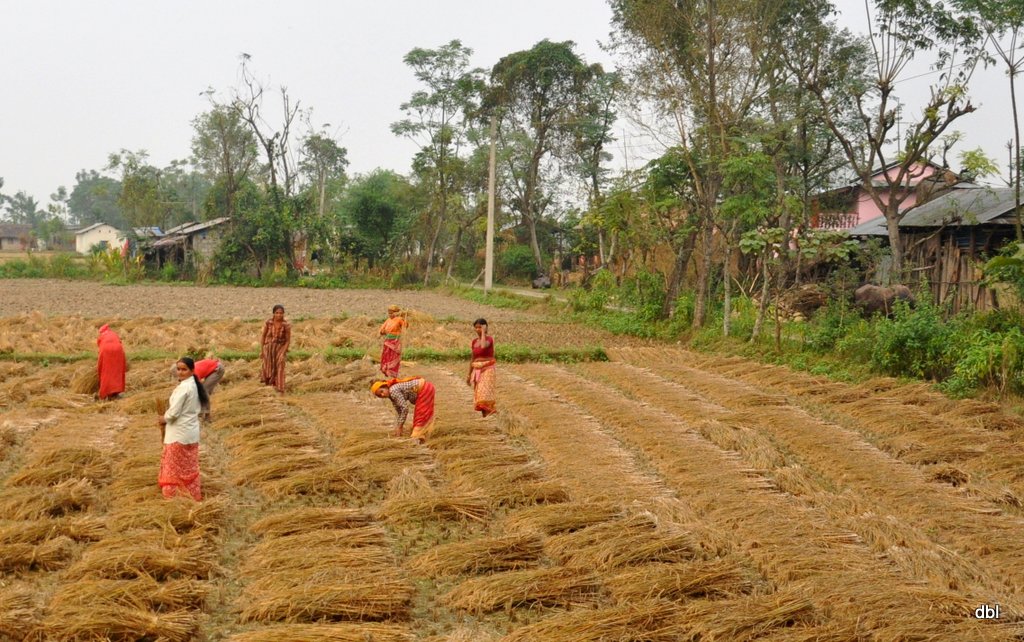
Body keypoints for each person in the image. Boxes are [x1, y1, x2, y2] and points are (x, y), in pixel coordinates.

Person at [157, 357, 207, 501]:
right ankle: (191, 495)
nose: (180, 372)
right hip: (191, 434)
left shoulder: (185, 388)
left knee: (174, 468)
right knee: (188, 467)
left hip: (178, 435)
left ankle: (174, 497)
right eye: (178, 369)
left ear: (192, 370)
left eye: (184, 369)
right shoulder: (193, 385)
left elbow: (173, 413)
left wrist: (163, 418)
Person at [371, 376, 435, 443]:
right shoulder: (392, 396)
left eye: (382, 391)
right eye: (380, 395)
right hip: (426, 388)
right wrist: (398, 426)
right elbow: (399, 412)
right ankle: (423, 435)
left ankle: (416, 438)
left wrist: (400, 426)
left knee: (420, 416)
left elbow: (404, 408)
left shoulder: (393, 391)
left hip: (425, 389)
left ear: (386, 387)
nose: (383, 394)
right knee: (423, 415)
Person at [466, 318, 497, 417]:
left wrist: (483, 332)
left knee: (485, 395)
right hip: (477, 370)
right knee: (479, 396)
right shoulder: (474, 341)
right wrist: (469, 374)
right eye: (476, 327)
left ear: (485, 327)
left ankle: (490, 415)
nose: (478, 329)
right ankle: (485, 417)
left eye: (480, 327)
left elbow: (483, 346)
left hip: (487, 369)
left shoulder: (489, 339)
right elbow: (473, 358)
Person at [260, 304, 291, 393]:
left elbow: (288, 341)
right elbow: (263, 336)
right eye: (277, 313)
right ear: (273, 314)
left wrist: (283, 353)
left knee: (280, 365)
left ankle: (280, 388)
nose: (279, 315)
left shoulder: (286, 325)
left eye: (281, 313)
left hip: (280, 347)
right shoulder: (268, 322)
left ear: (283, 314)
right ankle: (269, 386)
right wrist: (262, 350)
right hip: (268, 347)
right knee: (268, 367)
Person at [96, 324, 127, 401]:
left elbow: (100, 349)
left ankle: (106, 393)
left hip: (106, 351)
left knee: (105, 372)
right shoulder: (114, 334)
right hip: (118, 350)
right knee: (117, 371)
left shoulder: (101, 337)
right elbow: (119, 342)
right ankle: (116, 392)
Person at [378, 304, 409, 378]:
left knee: (393, 357)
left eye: (392, 313)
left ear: (396, 313)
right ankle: (386, 371)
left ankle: (392, 373)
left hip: (395, 342)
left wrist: (405, 319)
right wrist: (382, 331)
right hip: (387, 341)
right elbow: (382, 329)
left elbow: (405, 326)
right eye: (389, 313)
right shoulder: (388, 320)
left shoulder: (399, 319)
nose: (390, 314)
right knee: (386, 356)